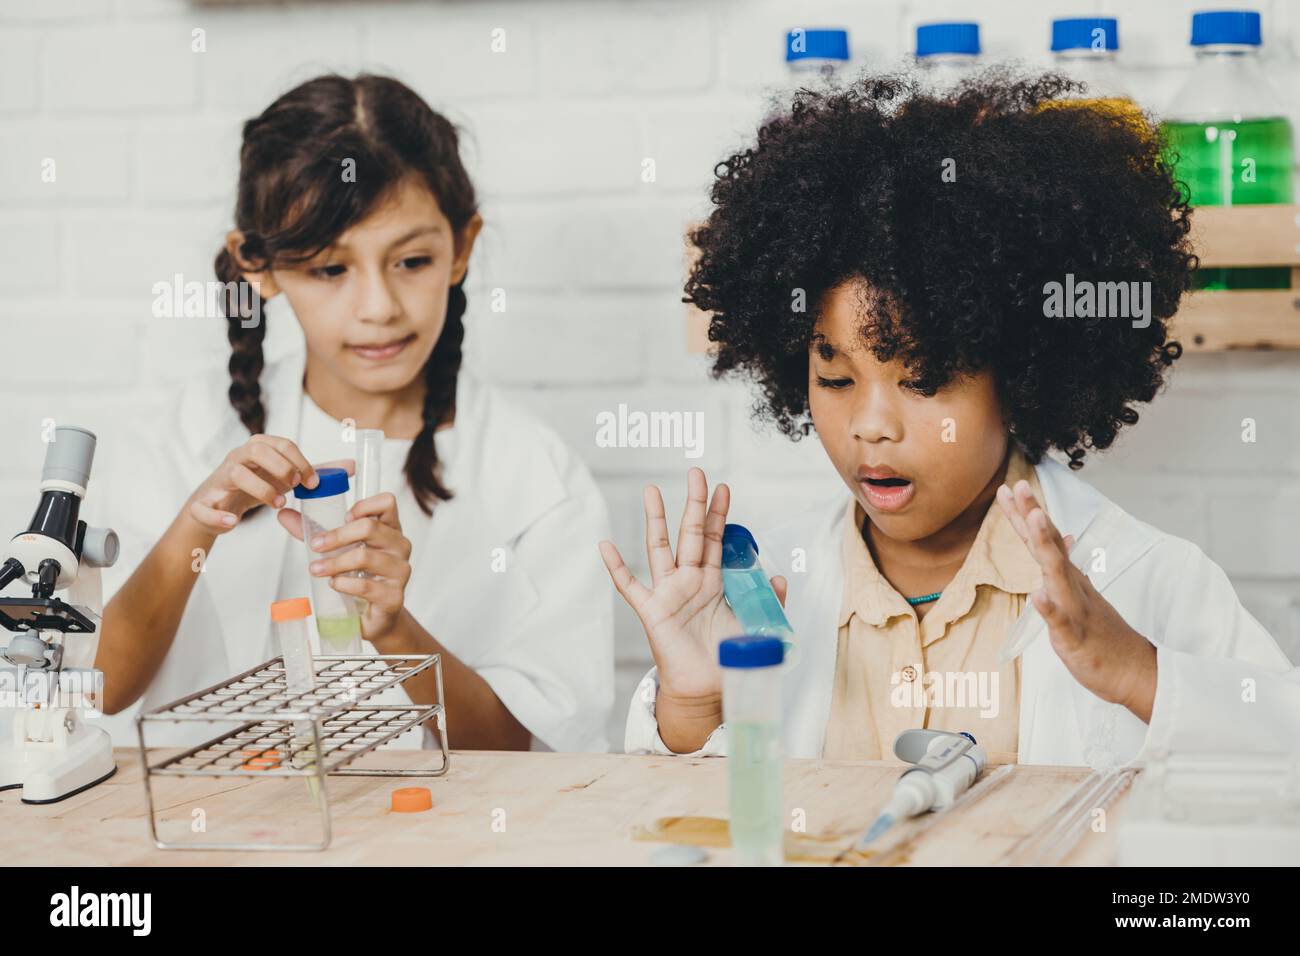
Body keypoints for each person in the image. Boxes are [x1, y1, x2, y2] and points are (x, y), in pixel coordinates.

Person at [601, 71, 1298, 765]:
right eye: (836, 377)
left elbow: (1281, 766)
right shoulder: (771, 585)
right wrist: (693, 708)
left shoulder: (1148, 579)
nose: (872, 426)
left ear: (1019, 375)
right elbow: (691, 828)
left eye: (923, 380)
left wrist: (1139, 673)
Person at [92, 74, 613, 752]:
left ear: (463, 246)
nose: (379, 308)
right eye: (331, 270)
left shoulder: (535, 477)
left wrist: (394, 628)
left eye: (412, 261)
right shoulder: (180, 439)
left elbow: (527, 748)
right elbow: (98, 687)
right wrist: (195, 525)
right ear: (260, 266)